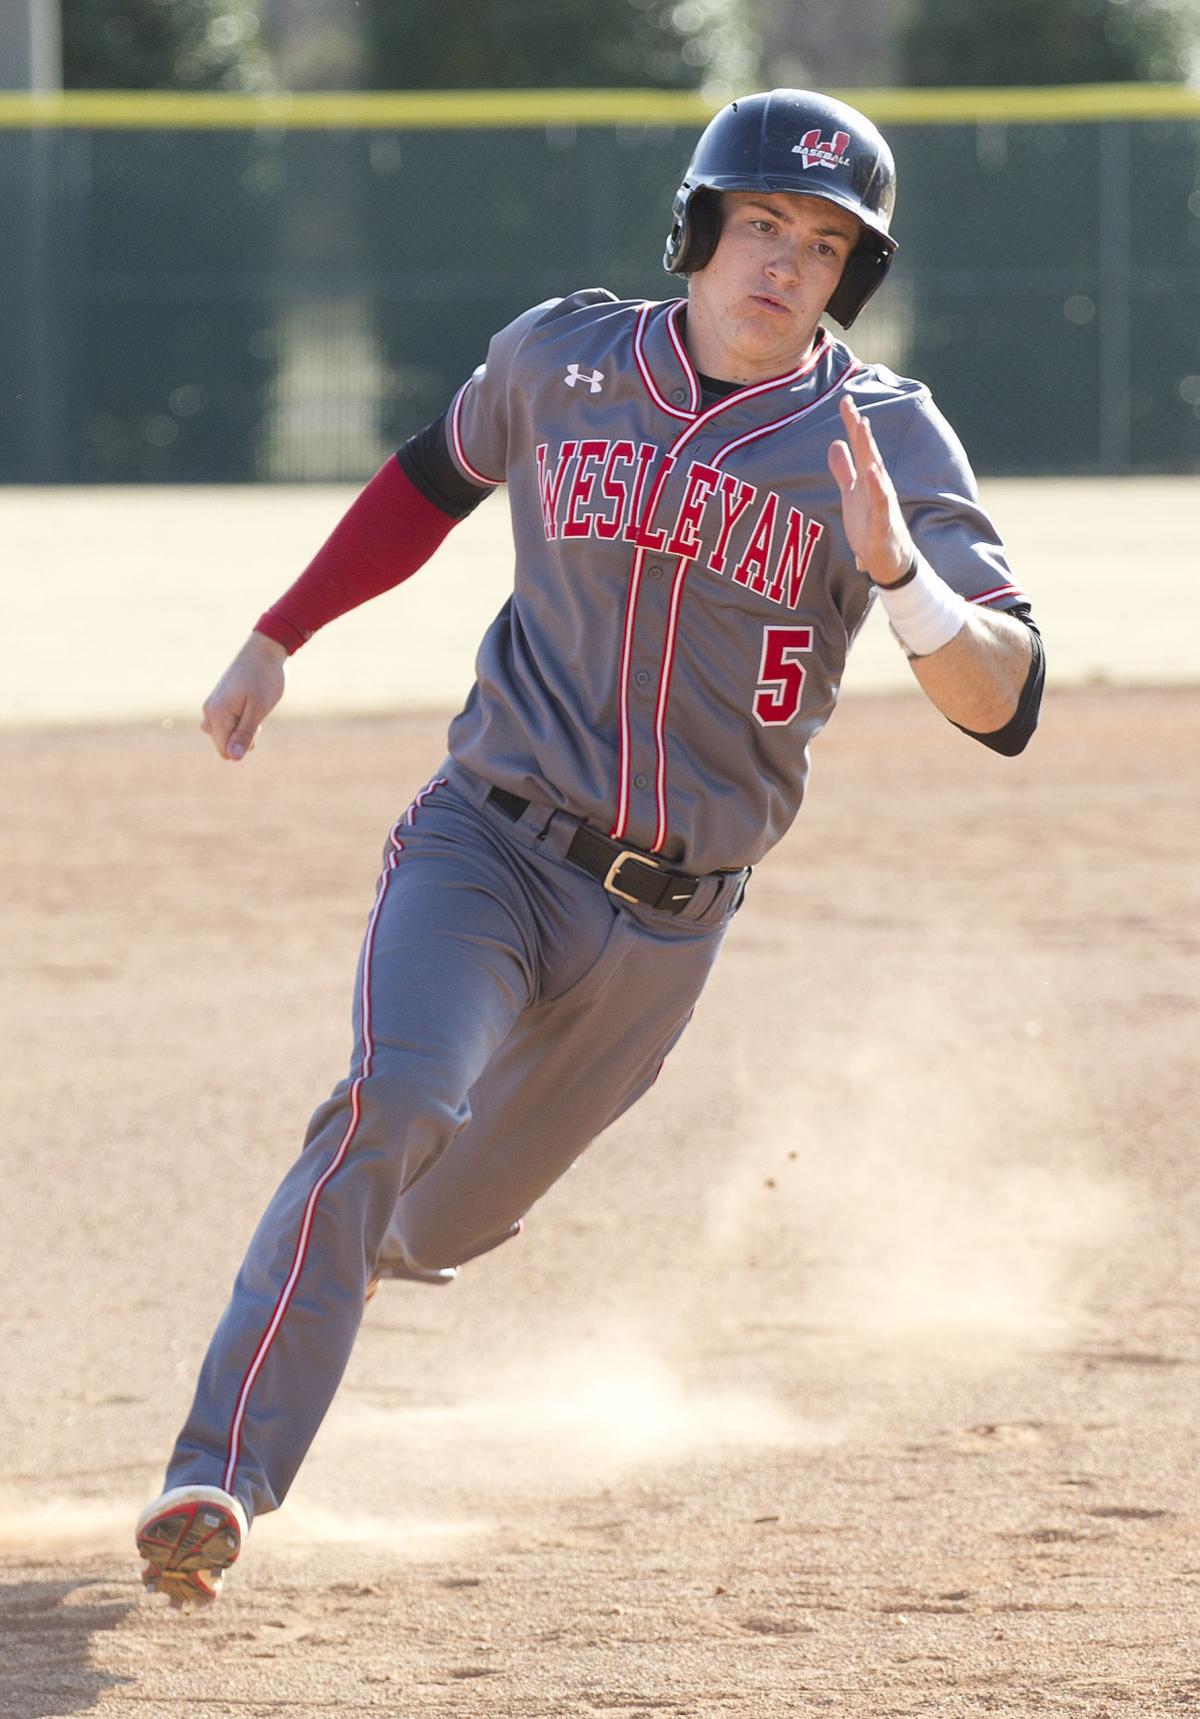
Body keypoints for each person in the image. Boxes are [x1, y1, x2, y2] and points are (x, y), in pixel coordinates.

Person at [135, 89, 1044, 1605]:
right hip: (486, 851)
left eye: (825, 244)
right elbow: (430, 479)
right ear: (698, 229)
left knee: (435, 1218)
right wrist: (277, 634)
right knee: (390, 1102)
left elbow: (1002, 702)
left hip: (669, 931)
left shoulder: (880, 436)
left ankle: (356, 1238)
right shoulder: (563, 360)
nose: (787, 263)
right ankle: (217, 1477)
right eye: (761, 222)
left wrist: (897, 575)